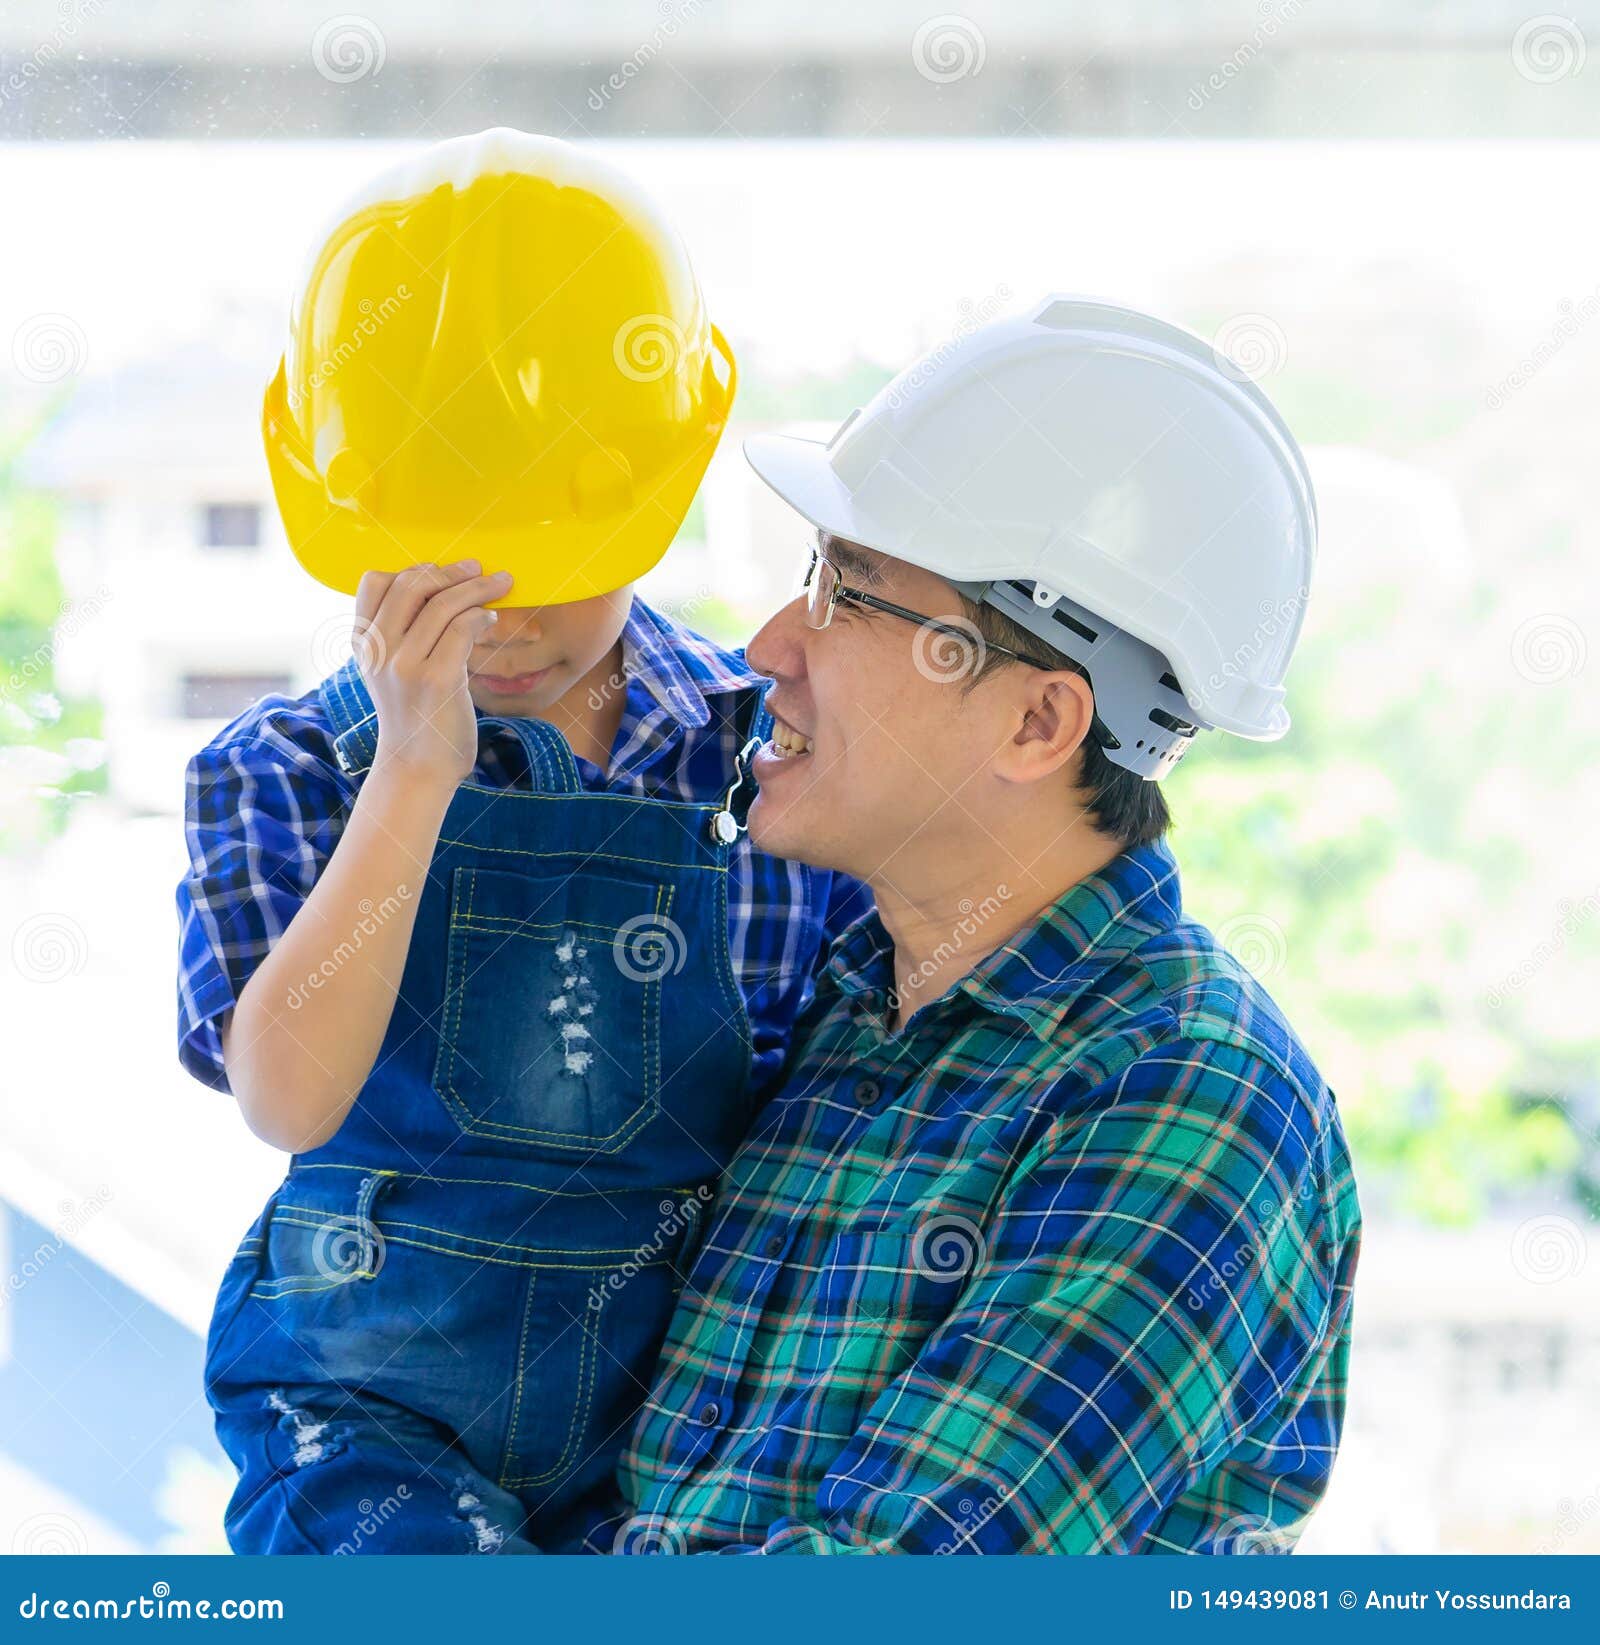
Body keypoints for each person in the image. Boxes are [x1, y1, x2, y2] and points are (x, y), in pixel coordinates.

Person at [176, 130, 864, 1554]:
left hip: (675, 1429)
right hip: (363, 1410)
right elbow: (290, 1100)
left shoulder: (766, 763)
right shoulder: (286, 771)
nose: (500, 620)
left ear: (659, 495)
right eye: (437, 569)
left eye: (549, 562)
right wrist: (414, 780)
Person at [589, 297, 1361, 1555]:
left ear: (1036, 724)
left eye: (850, 595)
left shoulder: (1183, 1092)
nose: (770, 645)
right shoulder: (848, 1013)